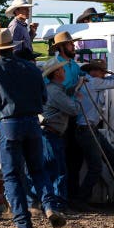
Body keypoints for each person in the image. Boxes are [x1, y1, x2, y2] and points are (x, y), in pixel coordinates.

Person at [0, 28, 66, 228]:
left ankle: (22, 223)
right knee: (38, 170)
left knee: (12, 175)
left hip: (9, 125)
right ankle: (50, 207)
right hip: (33, 124)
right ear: (12, 48)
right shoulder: (33, 69)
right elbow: (43, 98)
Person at [73, 59, 114, 206]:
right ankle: (81, 199)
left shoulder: (90, 82)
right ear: (93, 71)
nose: (103, 74)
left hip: (89, 129)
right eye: (101, 72)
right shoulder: (93, 82)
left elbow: (113, 80)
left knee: (111, 156)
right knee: (96, 165)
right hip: (86, 129)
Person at [38, 57, 80, 211]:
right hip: (51, 134)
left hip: (50, 133)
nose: (64, 71)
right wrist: (76, 98)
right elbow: (73, 109)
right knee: (57, 170)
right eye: (62, 70)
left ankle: (51, 203)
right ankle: (57, 204)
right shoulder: (55, 91)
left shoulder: (53, 89)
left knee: (53, 168)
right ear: (56, 73)